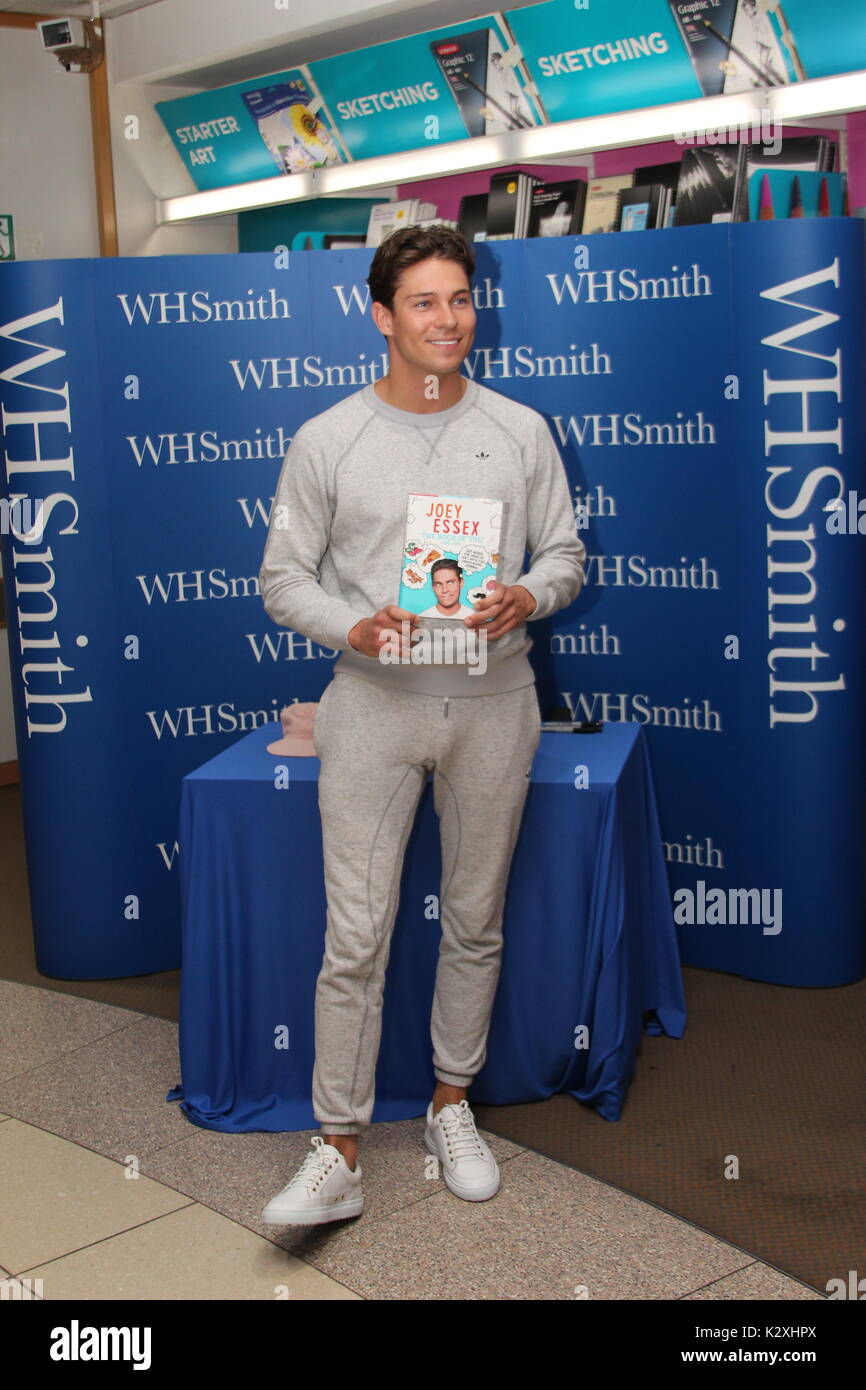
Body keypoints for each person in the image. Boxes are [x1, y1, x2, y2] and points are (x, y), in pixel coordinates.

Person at [257, 224, 585, 1226]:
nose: (448, 320)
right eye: (424, 302)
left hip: (494, 706)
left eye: (459, 298)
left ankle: (450, 1106)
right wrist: (349, 621)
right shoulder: (328, 438)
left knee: (474, 919)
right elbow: (279, 580)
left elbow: (567, 556)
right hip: (370, 706)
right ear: (381, 316)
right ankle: (337, 1147)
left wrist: (524, 597)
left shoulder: (520, 430)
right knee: (354, 934)